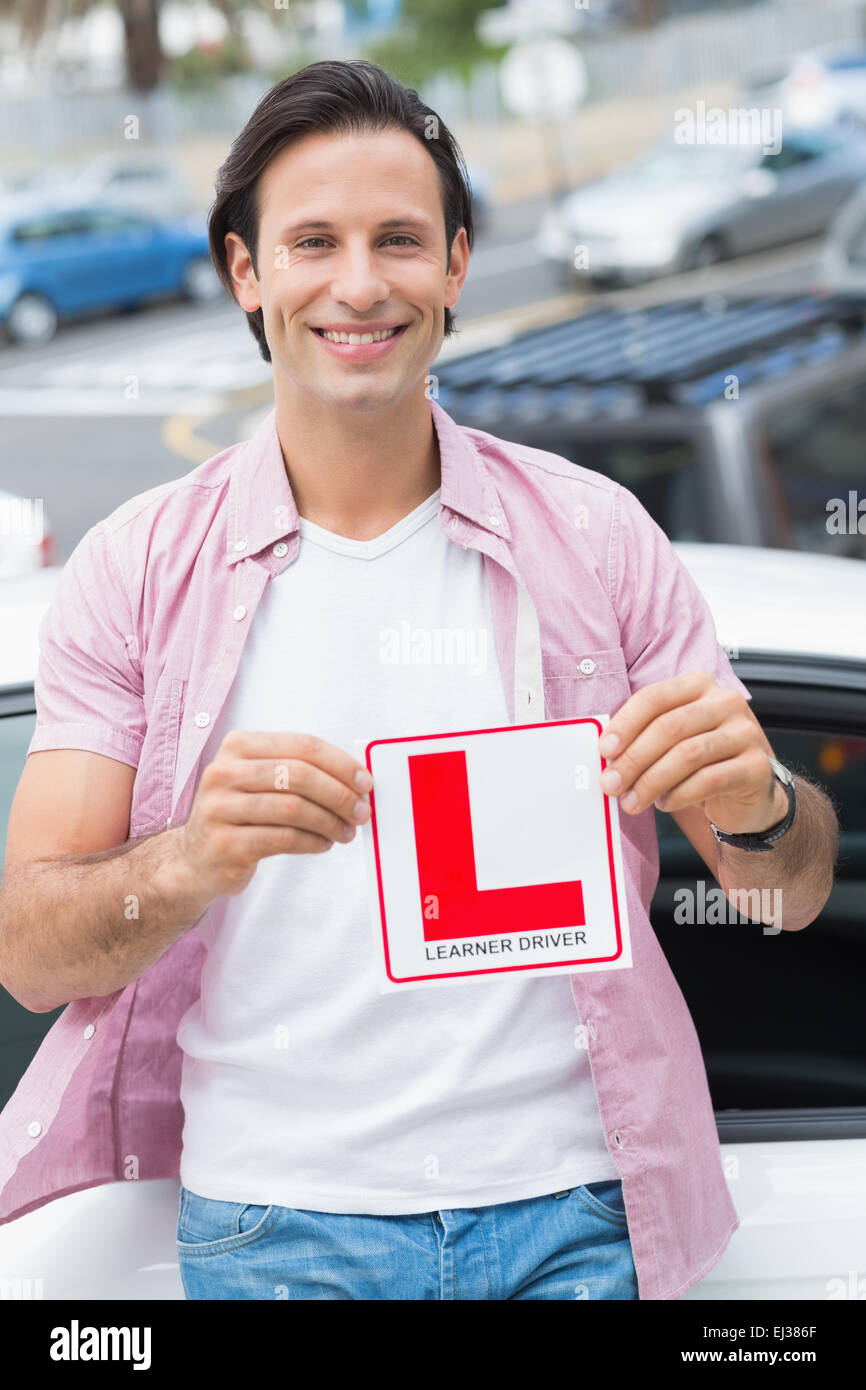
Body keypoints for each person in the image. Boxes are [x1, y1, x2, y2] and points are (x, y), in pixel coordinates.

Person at [0, 60, 838, 1302]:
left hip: (574, 1214)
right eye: (312, 242)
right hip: (278, 1228)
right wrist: (187, 859)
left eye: (397, 239)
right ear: (246, 272)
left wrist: (762, 801)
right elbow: (30, 953)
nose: (356, 282)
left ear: (453, 266)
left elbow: (784, 897)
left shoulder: (598, 536)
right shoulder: (134, 571)